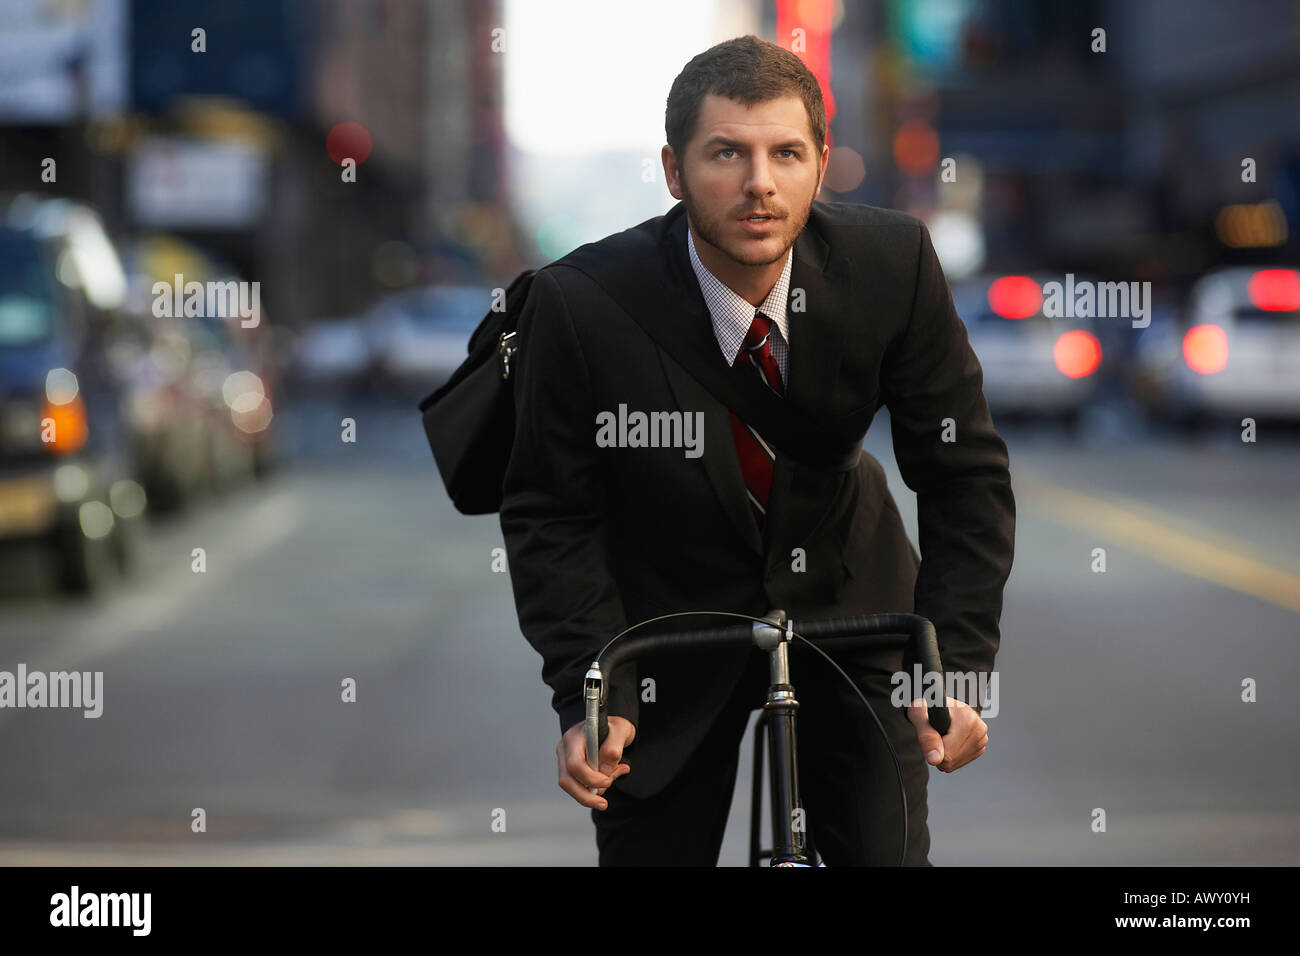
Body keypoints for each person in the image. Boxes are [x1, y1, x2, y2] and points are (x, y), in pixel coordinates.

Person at [499, 35, 1015, 865]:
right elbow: (550, 512)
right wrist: (590, 693)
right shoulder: (580, 304)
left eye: (786, 153)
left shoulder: (892, 264)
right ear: (673, 171)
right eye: (726, 154)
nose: (759, 184)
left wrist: (951, 665)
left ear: (819, 164)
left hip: (854, 600)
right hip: (665, 625)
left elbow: (965, 474)